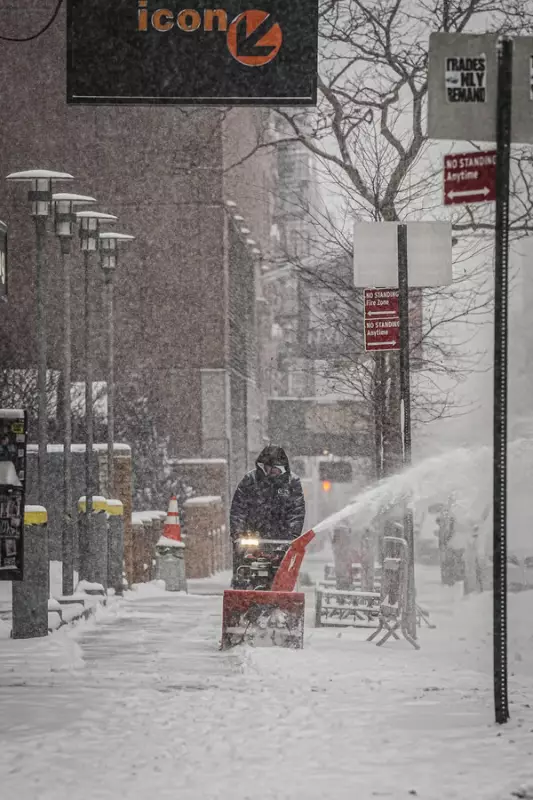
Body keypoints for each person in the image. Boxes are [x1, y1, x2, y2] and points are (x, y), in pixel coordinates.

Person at [230, 445, 306, 545]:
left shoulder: (292, 482)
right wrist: (238, 535)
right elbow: (238, 509)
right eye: (269, 467)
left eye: (275, 468)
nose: (271, 472)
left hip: (282, 542)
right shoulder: (250, 480)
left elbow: (296, 512)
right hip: (251, 542)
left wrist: (291, 537)